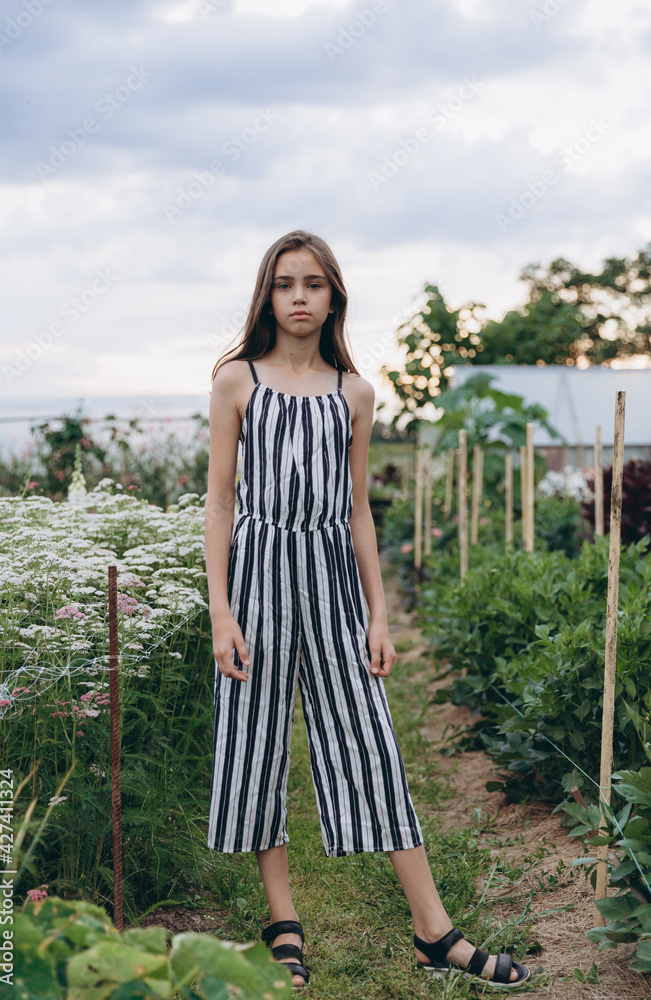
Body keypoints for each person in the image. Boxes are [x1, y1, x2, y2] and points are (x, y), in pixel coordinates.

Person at [203, 230, 530, 990]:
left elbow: (357, 510)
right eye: (284, 284)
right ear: (267, 294)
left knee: (370, 743)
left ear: (333, 296)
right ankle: (283, 924)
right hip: (254, 576)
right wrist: (221, 611)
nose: (298, 297)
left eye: (313, 284)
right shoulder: (235, 381)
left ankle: (434, 931)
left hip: (332, 583)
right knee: (255, 747)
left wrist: (378, 616)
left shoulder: (355, 392)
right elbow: (220, 500)